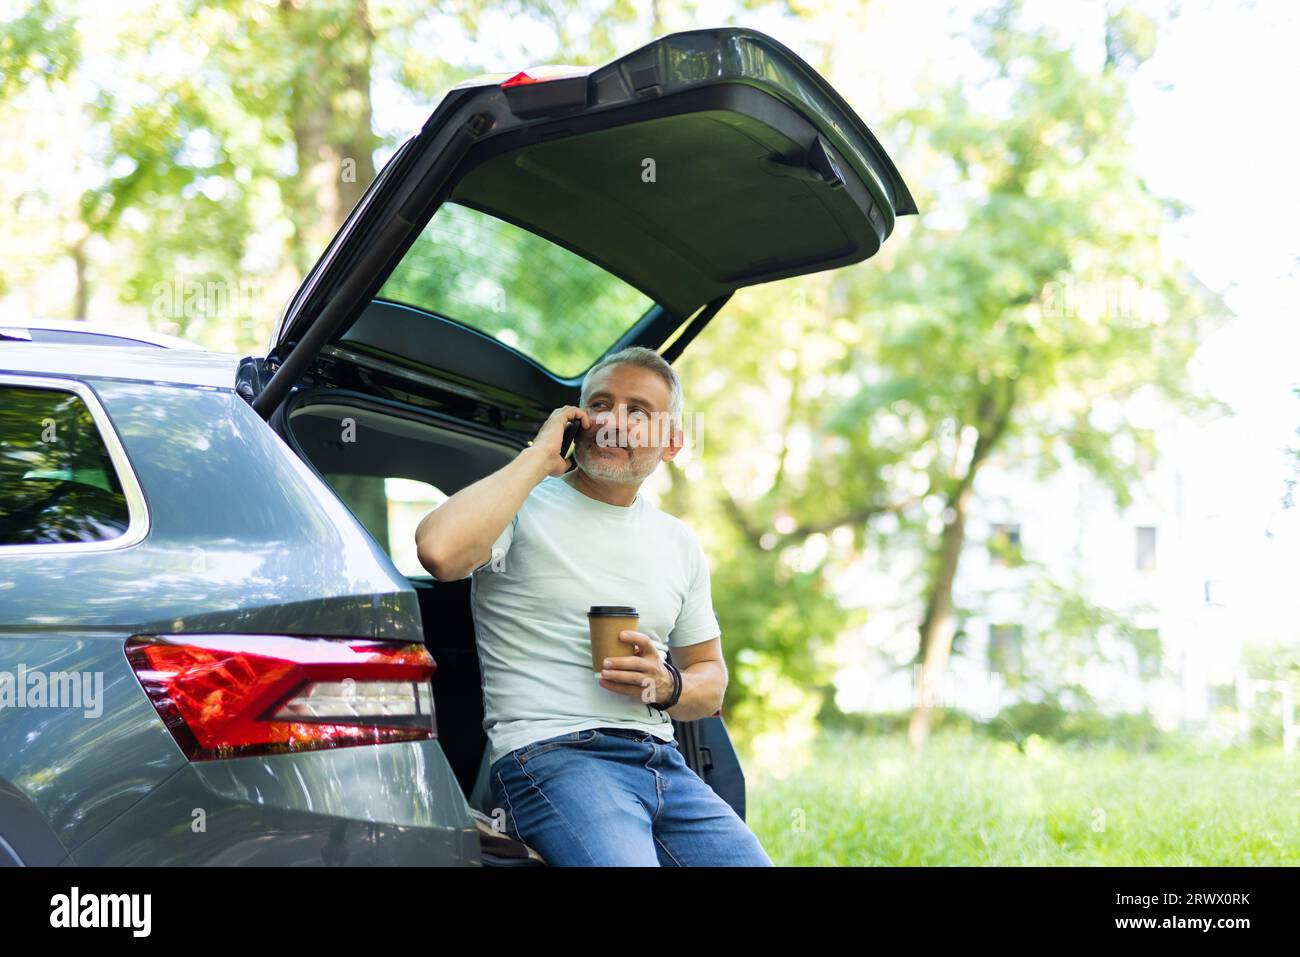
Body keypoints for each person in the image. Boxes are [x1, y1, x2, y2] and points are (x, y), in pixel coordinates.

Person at [414, 346, 773, 866]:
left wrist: (669, 685)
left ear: (672, 442)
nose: (612, 421)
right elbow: (439, 552)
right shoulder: (521, 508)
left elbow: (710, 678)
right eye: (600, 404)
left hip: (662, 763)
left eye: (638, 411)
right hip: (550, 756)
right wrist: (537, 458)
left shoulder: (678, 543)